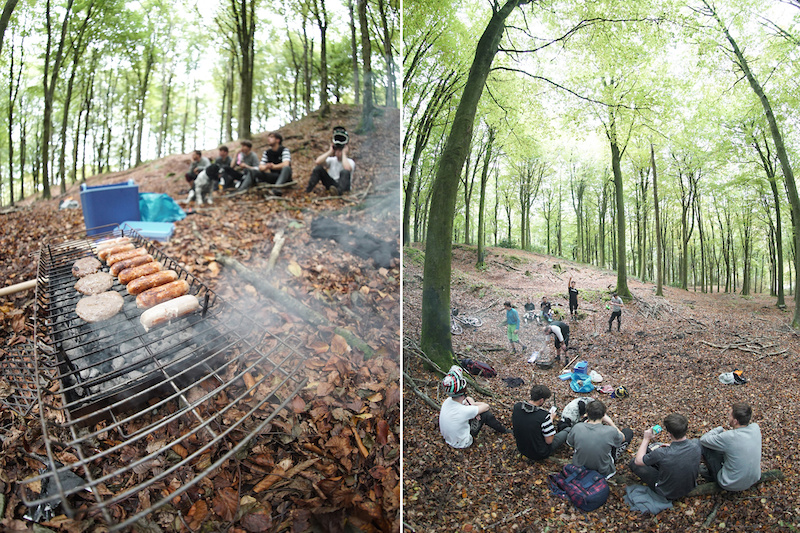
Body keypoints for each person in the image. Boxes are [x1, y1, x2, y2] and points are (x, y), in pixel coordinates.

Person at [628, 413, 702, 500]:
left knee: (633, 463)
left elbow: (638, 461)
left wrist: (646, 439)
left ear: (669, 434)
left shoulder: (662, 453)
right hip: (690, 487)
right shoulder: (696, 445)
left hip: (666, 492)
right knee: (651, 454)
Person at [438, 366, 509, 448]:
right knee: (485, 414)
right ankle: (504, 431)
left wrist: (472, 406)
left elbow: (468, 399)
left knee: (475, 409)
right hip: (463, 443)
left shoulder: (448, 401)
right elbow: (486, 406)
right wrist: (474, 409)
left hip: (450, 439)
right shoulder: (464, 411)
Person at [699, 402, 762, 491]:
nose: (728, 417)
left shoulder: (729, 437)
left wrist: (719, 429)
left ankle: (710, 475)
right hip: (754, 479)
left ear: (735, 421)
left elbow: (704, 440)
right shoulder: (755, 428)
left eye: (730, 415)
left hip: (729, 483)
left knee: (705, 447)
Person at [567, 400, 633, 478]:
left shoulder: (577, 427)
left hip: (578, 467)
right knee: (628, 432)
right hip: (603, 471)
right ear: (603, 415)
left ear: (587, 414)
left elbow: (570, 443)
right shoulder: (611, 431)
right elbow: (623, 438)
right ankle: (614, 455)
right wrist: (611, 422)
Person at [512, 384, 571, 461]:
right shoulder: (543, 416)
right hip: (539, 453)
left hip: (521, 448)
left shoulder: (517, 407)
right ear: (541, 400)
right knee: (568, 430)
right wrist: (550, 420)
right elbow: (549, 441)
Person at [306, 127, 355, 195]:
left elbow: (347, 169)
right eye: (336, 150)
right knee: (318, 169)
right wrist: (330, 151)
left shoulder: (350, 161)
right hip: (332, 185)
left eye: (340, 150)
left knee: (345, 172)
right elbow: (318, 162)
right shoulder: (332, 160)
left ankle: (338, 192)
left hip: (343, 187)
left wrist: (344, 154)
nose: (338, 152)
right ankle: (308, 190)